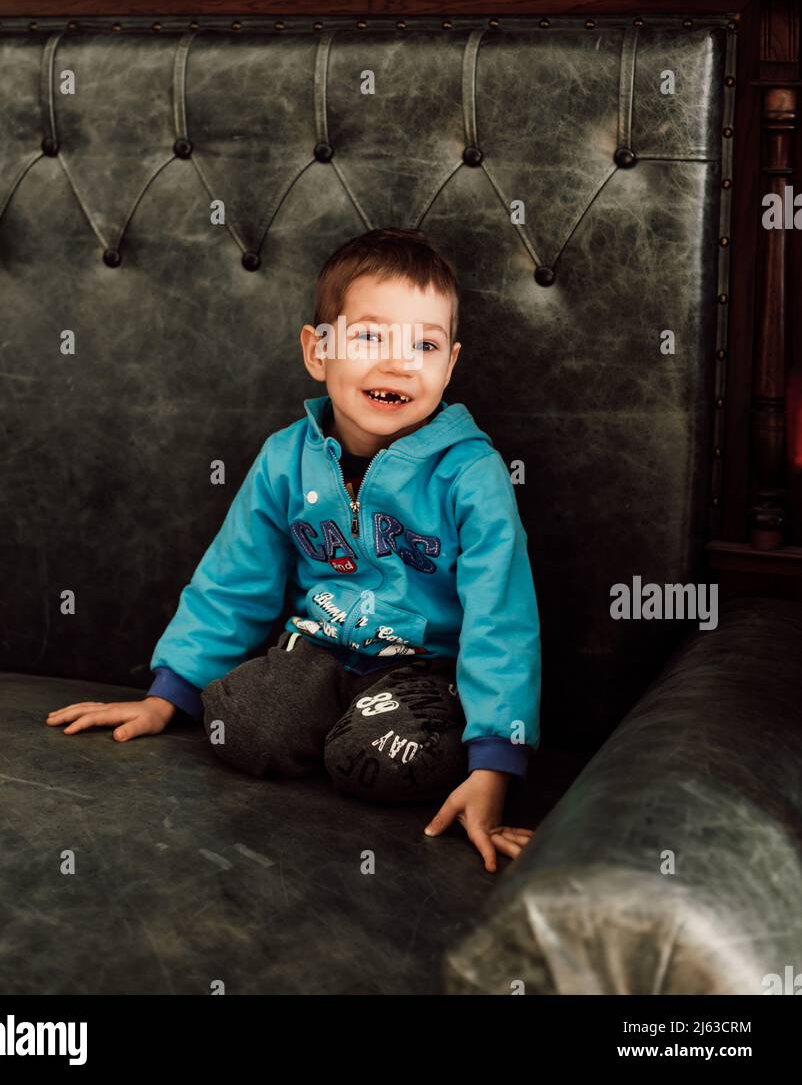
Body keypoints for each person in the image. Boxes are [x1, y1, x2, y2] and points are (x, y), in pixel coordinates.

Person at [47, 228, 541, 873]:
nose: (399, 363)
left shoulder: (471, 475)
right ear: (318, 350)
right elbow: (233, 579)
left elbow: (501, 621)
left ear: (449, 364)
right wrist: (166, 694)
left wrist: (494, 765)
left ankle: (375, 736)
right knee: (241, 725)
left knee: (377, 762)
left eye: (424, 344)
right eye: (370, 337)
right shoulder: (287, 458)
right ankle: (327, 724)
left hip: (427, 674)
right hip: (317, 653)